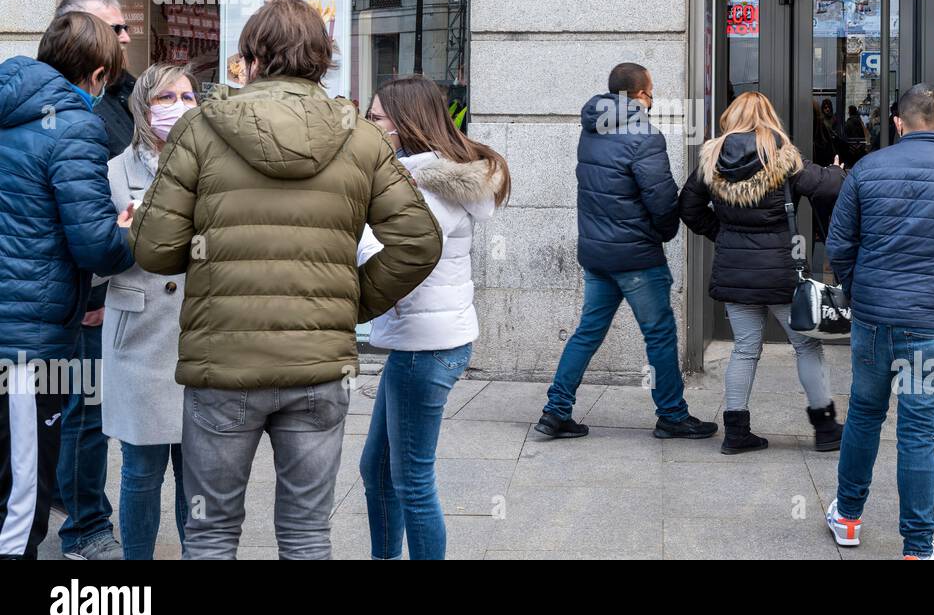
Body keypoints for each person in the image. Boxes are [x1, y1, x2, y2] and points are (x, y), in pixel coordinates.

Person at [129, 0, 443, 560]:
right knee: (305, 534)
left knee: (209, 531)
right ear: (323, 59)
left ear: (250, 57)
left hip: (223, 367)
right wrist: (350, 303)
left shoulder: (199, 130)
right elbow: (419, 242)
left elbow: (155, 249)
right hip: (318, 368)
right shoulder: (362, 137)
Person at [824, 83, 934, 559]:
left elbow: (839, 245)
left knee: (864, 415)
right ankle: (918, 548)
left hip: (875, 318)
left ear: (898, 123)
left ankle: (848, 517)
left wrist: (861, 290)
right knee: (919, 433)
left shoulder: (867, 168)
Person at [358, 76, 509, 560]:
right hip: (422, 340)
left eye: (377, 117)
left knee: (411, 480)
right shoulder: (421, 176)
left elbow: (384, 253)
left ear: (404, 124)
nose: (370, 124)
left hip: (426, 345)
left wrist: (346, 225)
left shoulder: (420, 186)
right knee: (378, 469)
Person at [0, 13, 134, 560]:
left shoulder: (12, 107)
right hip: (28, 340)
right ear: (98, 74)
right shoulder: (76, 125)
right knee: (22, 496)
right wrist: (128, 231)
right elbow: (95, 246)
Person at [535, 63, 716, 441]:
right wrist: (663, 233)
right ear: (637, 95)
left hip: (598, 253)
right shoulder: (645, 137)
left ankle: (555, 411)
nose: (652, 101)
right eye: (651, 93)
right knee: (660, 335)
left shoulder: (591, 130)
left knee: (587, 332)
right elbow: (662, 199)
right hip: (636, 257)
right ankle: (672, 415)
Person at [679, 91, 845, 454]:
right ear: (768, 116)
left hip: (735, 273)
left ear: (731, 117)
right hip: (780, 274)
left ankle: (736, 433)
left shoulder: (711, 158)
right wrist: (836, 170)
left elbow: (688, 207)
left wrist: (721, 233)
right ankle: (826, 427)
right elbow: (830, 187)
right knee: (806, 344)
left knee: (744, 350)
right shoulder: (781, 154)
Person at [50, 0, 135, 559]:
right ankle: (83, 527)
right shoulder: (77, 117)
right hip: (83, 296)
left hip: (93, 294)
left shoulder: (125, 97)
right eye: (115, 28)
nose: (126, 36)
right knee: (84, 413)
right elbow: (87, 229)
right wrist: (123, 239)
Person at [101, 62, 198, 559]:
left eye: (186, 97)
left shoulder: (214, 168)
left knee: (196, 474)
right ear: (142, 107)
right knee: (140, 470)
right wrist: (125, 233)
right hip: (139, 338)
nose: (179, 107)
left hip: (198, 340)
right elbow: (94, 257)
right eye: (166, 98)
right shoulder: (116, 169)